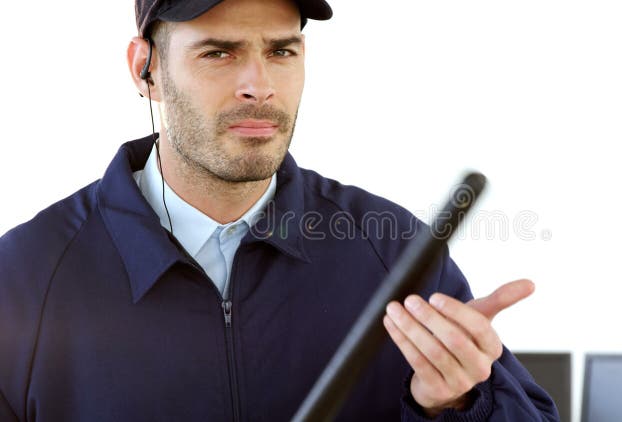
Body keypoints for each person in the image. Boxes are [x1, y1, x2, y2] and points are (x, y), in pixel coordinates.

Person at [0, 0, 559, 420]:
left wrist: (458, 406)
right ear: (145, 69)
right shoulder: (23, 278)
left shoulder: (392, 252)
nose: (259, 86)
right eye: (219, 52)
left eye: (280, 51)